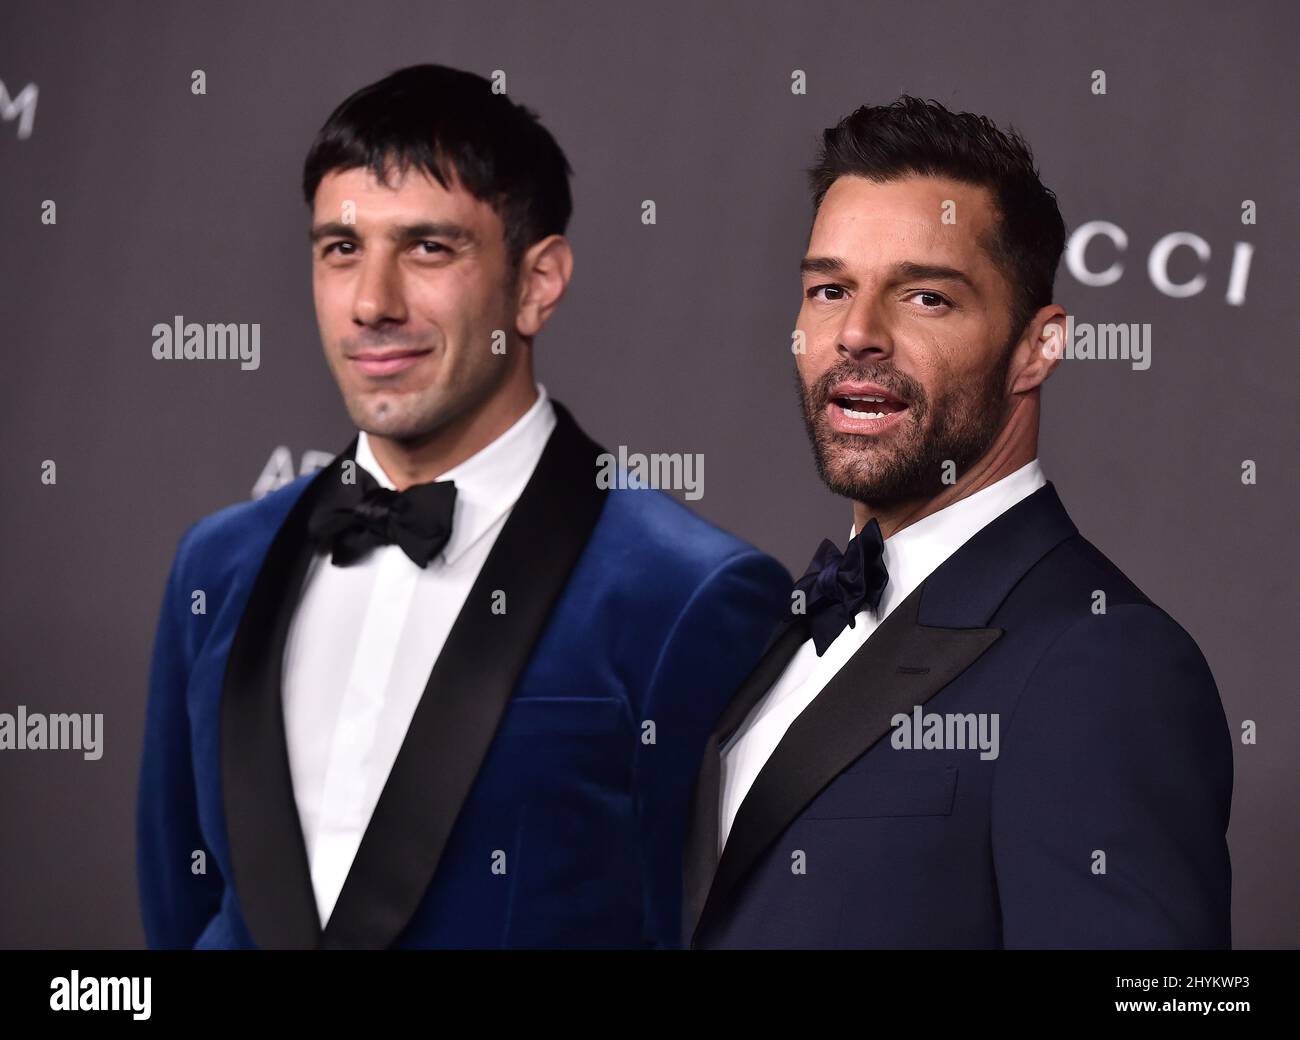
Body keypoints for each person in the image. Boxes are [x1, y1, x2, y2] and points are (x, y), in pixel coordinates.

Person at [137, 64, 790, 950]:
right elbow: (180, 907)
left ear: (537, 283)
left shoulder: (690, 593)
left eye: (429, 248)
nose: (373, 303)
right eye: (341, 248)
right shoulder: (215, 565)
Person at [683, 96, 1233, 949]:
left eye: (927, 298)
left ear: (1037, 348)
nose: (857, 333)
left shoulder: (1102, 659)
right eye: (829, 289)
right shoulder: (778, 621)